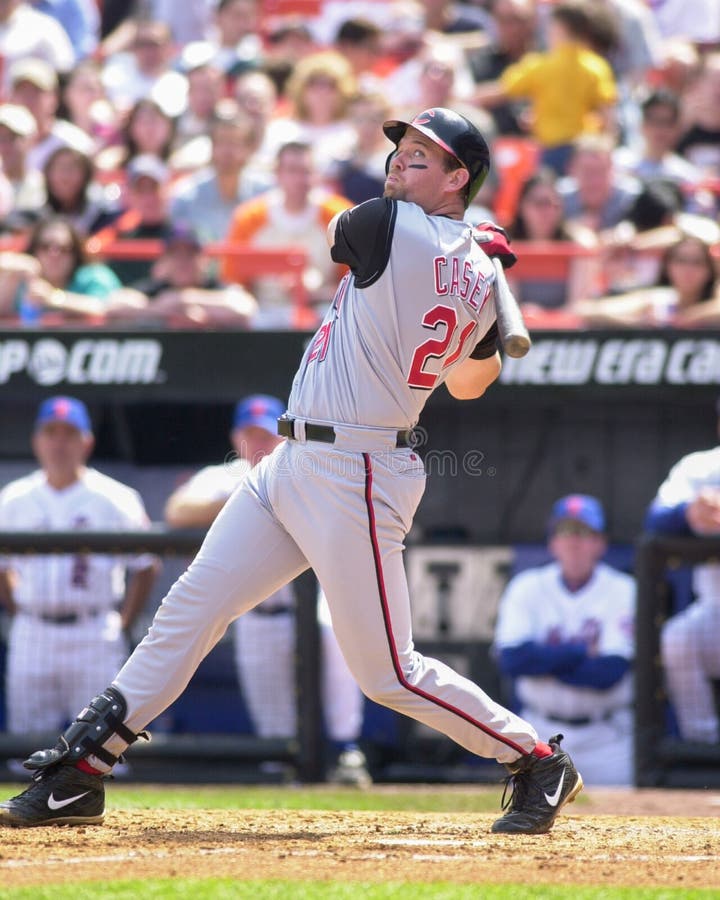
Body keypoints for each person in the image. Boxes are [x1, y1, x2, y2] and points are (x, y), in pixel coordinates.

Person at [0, 106, 582, 836]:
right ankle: (81, 771)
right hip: (296, 457)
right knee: (191, 608)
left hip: (357, 468)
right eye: (401, 150)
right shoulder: (467, 265)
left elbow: (351, 235)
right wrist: (474, 279)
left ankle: (535, 759)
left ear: (459, 178)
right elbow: (471, 381)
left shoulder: (393, 226)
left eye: (422, 158)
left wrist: (462, 253)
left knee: (387, 673)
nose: (399, 162)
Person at [164, 395, 371, 786]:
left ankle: (346, 749)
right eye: (251, 433)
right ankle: (281, 768)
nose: (260, 442)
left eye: (267, 433)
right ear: (236, 436)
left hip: (309, 604)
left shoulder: (308, 468)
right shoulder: (225, 475)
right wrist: (248, 497)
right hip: (257, 613)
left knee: (335, 634)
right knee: (272, 714)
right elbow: (177, 511)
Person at [0, 396, 158, 741]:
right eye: (50, 433)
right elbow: (3, 568)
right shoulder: (13, 498)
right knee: (25, 745)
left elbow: (147, 565)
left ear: (87, 441)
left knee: (100, 747)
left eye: (69, 433)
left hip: (93, 630)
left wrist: (123, 622)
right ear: (36, 441)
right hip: (33, 628)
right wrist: (18, 608)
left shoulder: (116, 497)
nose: (59, 443)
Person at [494, 495, 635, 786]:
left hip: (607, 738)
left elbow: (608, 672)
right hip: (540, 734)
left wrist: (542, 659)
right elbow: (512, 660)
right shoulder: (527, 587)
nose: (573, 541)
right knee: (530, 824)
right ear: (553, 542)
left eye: (583, 533)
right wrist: (580, 651)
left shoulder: (623, 589)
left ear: (600, 543)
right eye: (565, 532)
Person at [644, 402, 720, 744]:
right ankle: (704, 750)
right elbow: (655, 522)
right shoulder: (703, 467)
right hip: (716, 613)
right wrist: (689, 514)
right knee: (679, 638)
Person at [473, 0, 618, 175]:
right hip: (582, 151)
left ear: (560, 28)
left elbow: (500, 91)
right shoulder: (597, 66)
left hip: (551, 150)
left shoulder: (542, 65)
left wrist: (464, 99)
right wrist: (608, 147)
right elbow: (608, 115)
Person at [103, 223, 257, 328]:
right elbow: (114, 305)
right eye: (175, 255)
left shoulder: (215, 287)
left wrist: (185, 298)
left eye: (190, 254)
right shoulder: (156, 288)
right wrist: (163, 310)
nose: (183, 262)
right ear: (165, 260)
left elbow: (244, 307)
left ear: (204, 259)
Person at [574, 234, 720, 328]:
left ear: (709, 270)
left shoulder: (715, 297)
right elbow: (586, 310)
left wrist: (683, 319)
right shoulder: (659, 300)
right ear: (667, 267)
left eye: (697, 262)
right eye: (681, 261)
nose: (688, 269)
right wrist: (637, 323)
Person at [0, 215, 121, 324]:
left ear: (75, 253)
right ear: (34, 251)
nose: (54, 254)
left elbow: (107, 308)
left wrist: (53, 297)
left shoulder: (94, 276)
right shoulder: (23, 280)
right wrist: (11, 272)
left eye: (63, 248)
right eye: (45, 246)